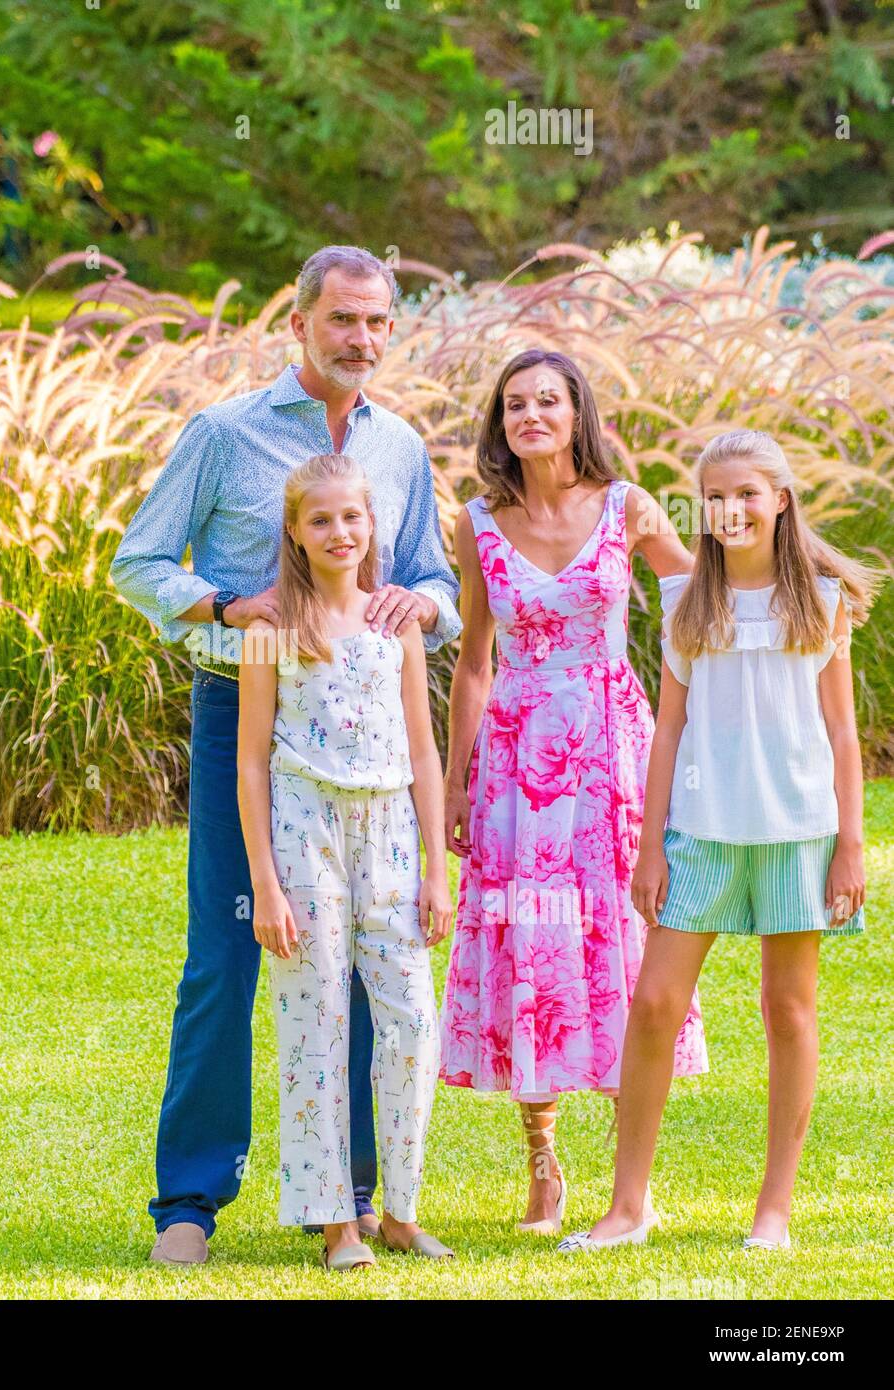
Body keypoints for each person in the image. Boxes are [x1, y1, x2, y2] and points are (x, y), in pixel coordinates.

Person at [108, 246, 461, 1264]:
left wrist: (421, 605)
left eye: (377, 323)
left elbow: (432, 576)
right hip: (249, 721)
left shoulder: (398, 448)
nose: (360, 339)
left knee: (363, 964)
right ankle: (189, 1198)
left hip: (369, 739)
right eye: (342, 319)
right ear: (299, 322)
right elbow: (137, 562)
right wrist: (226, 604)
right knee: (228, 952)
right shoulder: (225, 435)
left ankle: (350, 1196)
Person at [558, 429, 880, 1254]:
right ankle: (628, 1206)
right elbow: (668, 732)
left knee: (788, 1009)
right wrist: (652, 846)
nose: (731, 509)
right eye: (716, 497)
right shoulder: (685, 602)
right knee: (656, 1004)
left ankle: (773, 1211)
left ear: (780, 499)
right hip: (701, 832)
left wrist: (853, 844)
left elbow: (844, 736)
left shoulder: (819, 598)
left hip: (798, 833)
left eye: (747, 493)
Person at [439, 349, 709, 1236]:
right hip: (518, 761)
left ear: (575, 411)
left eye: (546, 401)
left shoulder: (629, 505)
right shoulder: (477, 522)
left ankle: (632, 1190)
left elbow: (696, 594)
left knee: (625, 945)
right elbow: (473, 664)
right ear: (501, 424)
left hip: (612, 749)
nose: (529, 417)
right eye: (514, 405)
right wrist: (456, 783)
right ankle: (543, 1165)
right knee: (535, 943)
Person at [236, 452, 453, 1270]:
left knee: (409, 1017)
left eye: (352, 517)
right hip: (304, 830)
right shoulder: (270, 632)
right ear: (294, 530)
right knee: (314, 1019)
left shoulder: (397, 627)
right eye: (320, 519)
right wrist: (264, 881)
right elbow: (249, 760)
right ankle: (335, 1221)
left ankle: (401, 1206)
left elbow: (425, 753)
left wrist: (437, 867)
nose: (339, 532)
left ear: (373, 527)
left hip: (391, 825)